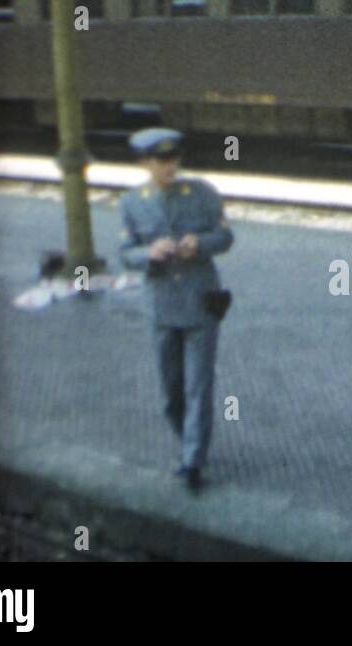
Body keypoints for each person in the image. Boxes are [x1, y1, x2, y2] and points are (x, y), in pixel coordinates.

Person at [118, 127, 234, 493]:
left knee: (200, 384)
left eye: (174, 159)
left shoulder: (201, 193)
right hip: (161, 305)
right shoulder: (132, 202)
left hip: (201, 301)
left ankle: (192, 460)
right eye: (160, 160)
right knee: (172, 389)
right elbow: (125, 253)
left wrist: (199, 243)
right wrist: (148, 254)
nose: (170, 166)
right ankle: (187, 437)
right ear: (144, 163)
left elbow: (225, 237)